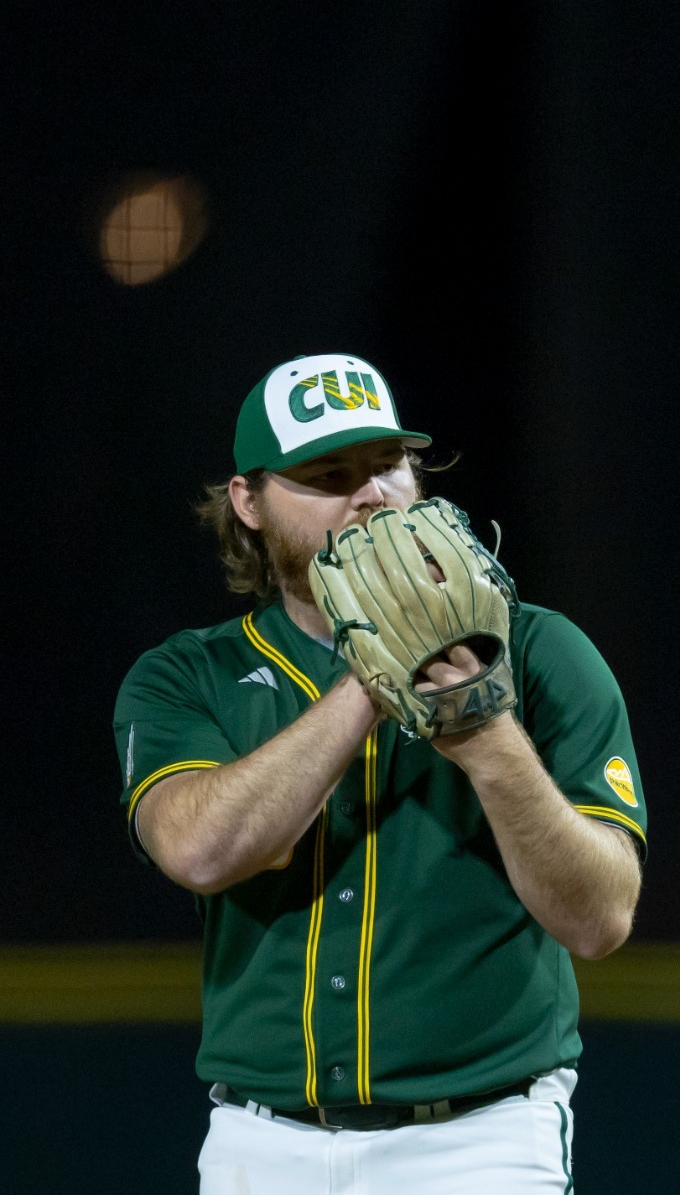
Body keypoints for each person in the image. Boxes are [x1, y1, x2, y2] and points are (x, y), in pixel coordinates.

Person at [113, 352, 647, 1192]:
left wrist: (488, 735)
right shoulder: (189, 675)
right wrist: (374, 671)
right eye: (328, 474)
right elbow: (201, 851)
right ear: (249, 502)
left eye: (388, 464)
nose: (369, 495)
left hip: (480, 1140)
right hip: (264, 1144)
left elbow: (600, 917)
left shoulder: (541, 653)